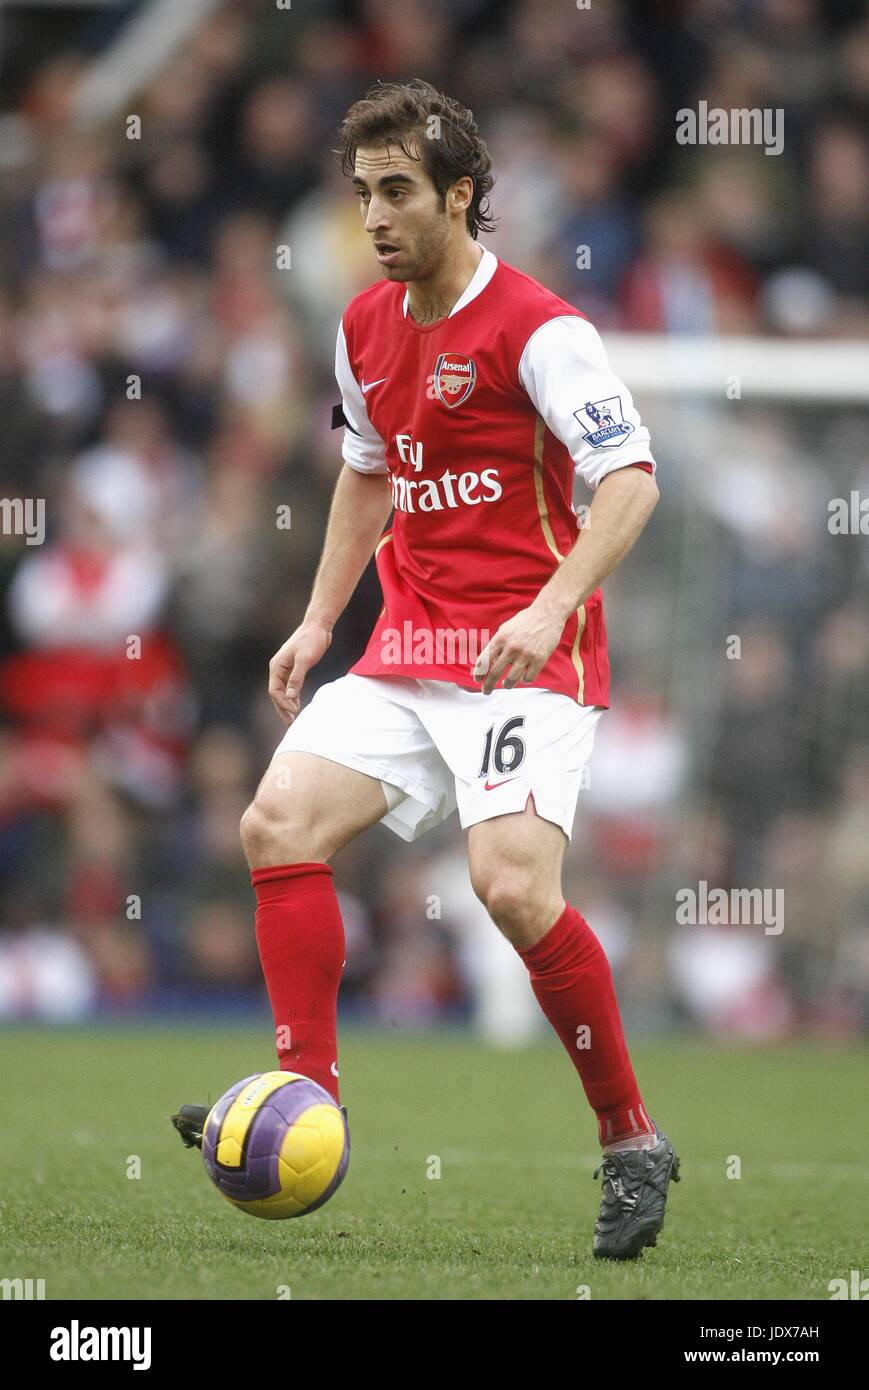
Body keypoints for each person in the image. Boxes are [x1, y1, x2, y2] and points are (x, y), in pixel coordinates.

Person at [172, 79, 680, 1260]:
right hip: (412, 646)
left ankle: (628, 1138)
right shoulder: (362, 326)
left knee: (508, 886)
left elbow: (632, 482)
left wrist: (554, 607)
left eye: (397, 192)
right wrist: (316, 622)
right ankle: (312, 1105)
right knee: (275, 822)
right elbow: (367, 473)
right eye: (362, 196)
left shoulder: (542, 331)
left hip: (522, 654)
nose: (376, 217)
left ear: (461, 196)